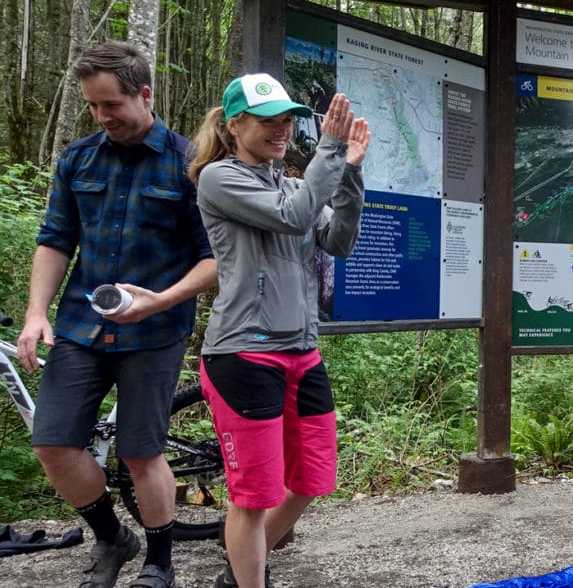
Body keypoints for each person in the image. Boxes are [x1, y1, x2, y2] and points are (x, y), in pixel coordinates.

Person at [15, 42, 217, 588]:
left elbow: (213, 257)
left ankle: (159, 561)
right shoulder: (78, 159)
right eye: (92, 107)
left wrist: (163, 299)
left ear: (144, 94)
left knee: (140, 451)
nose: (102, 117)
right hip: (82, 326)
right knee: (53, 443)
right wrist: (37, 313)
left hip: (155, 330)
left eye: (111, 105)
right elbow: (55, 239)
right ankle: (112, 539)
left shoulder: (189, 163)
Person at [187, 73, 369, 587]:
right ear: (234, 124)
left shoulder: (292, 184)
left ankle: (245, 564)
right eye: (268, 121)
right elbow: (294, 218)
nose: (281, 130)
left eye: (287, 120)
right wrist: (330, 149)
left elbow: (339, 240)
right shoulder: (220, 179)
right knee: (254, 494)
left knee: (313, 477)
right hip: (244, 353)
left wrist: (350, 171)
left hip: (302, 351)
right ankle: (251, 577)